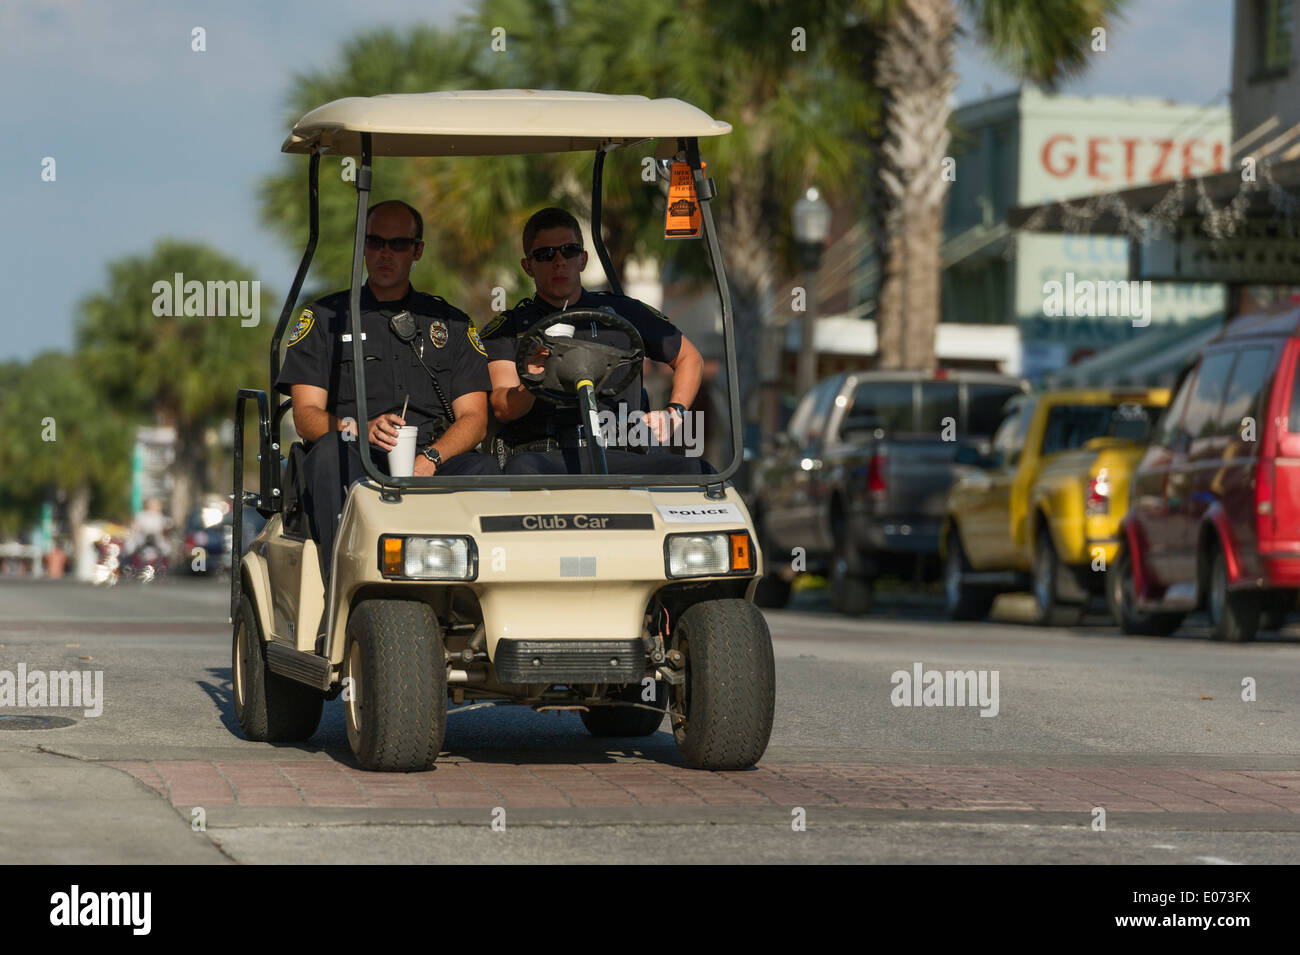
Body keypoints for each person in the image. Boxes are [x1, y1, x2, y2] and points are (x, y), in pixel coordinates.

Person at [275, 199, 499, 583]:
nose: (384, 253)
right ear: (362, 246)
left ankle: (477, 595)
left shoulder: (451, 323)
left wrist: (431, 456)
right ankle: (337, 592)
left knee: (486, 468)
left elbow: (475, 420)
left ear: (417, 251)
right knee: (327, 453)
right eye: (375, 242)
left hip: (431, 458)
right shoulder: (326, 318)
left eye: (397, 245)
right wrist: (358, 429)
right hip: (355, 453)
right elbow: (306, 415)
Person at [482, 207, 712, 475]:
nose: (559, 262)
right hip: (548, 458)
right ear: (528, 266)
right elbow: (502, 407)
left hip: (623, 450)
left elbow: (689, 358)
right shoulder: (510, 327)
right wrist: (531, 382)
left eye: (568, 251)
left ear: (582, 259)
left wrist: (674, 413)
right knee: (521, 469)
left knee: (698, 471)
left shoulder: (624, 313)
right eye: (545, 255)